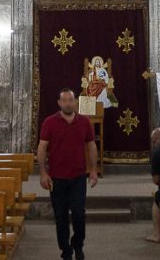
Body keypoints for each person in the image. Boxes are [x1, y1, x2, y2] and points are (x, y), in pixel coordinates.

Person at [38, 88, 99, 260]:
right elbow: (42, 147)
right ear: (59, 103)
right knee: (60, 216)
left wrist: (93, 170)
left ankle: (78, 244)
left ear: (75, 102)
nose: (68, 103)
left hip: (78, 176)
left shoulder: (84, 122)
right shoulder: (50, 122)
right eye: (64, 100)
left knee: (79, 214)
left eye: (70, 100)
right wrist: (43, 173)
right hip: (56, 177)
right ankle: (65, 250)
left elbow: (91, 146)